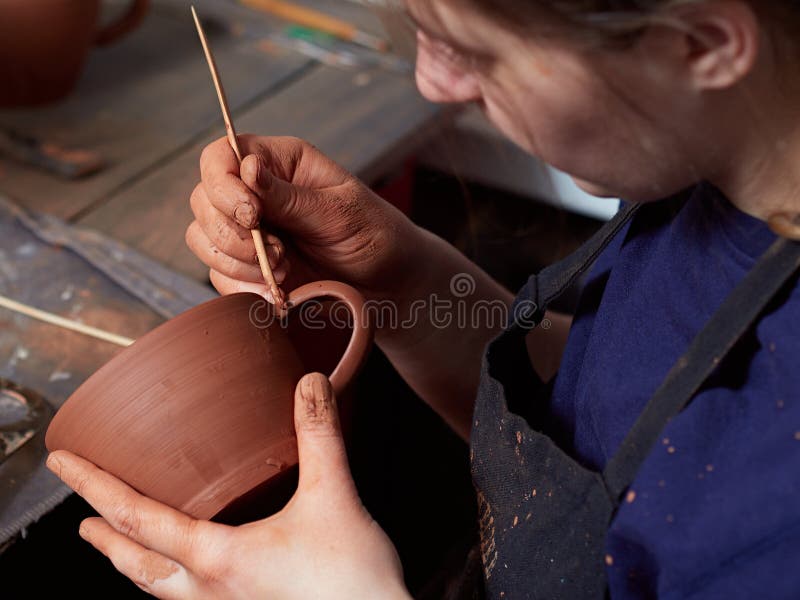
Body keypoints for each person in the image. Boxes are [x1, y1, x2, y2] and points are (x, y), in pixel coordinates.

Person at [47, 0, 800, 597]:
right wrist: (405, 283)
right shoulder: (715, 169)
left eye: (470, 49)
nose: (433, 84)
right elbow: (622, 411)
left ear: (700, 45)